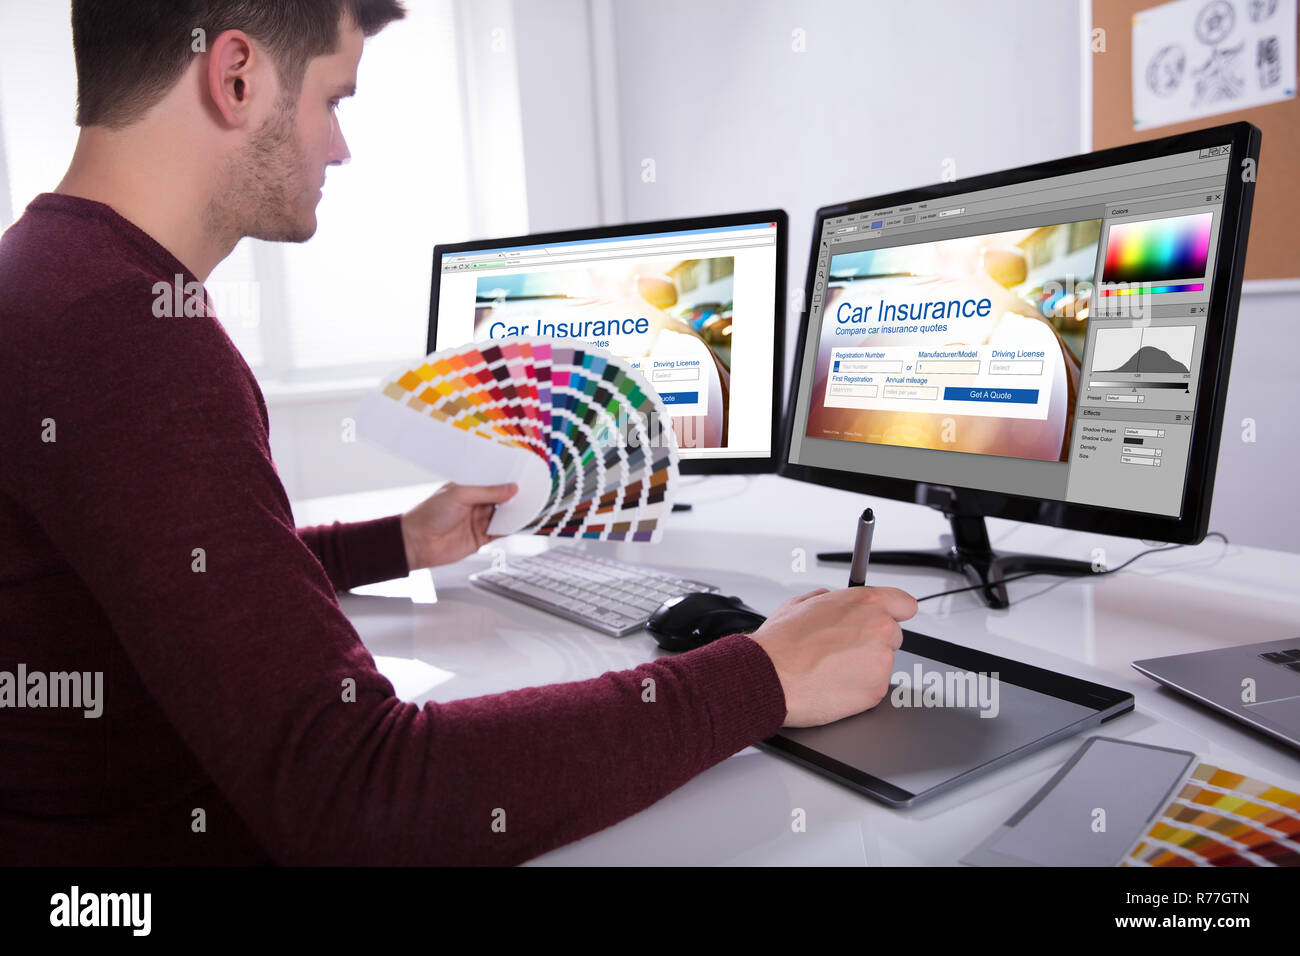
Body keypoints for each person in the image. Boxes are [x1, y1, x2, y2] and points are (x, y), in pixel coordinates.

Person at [0, 0, 917, 865]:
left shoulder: (44, 273)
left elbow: (167, 583)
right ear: (236, 76)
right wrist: (762, 675)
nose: (340, 146)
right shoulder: (129, 335)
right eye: (333, 99)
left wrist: (396, 542)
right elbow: (360, 795)